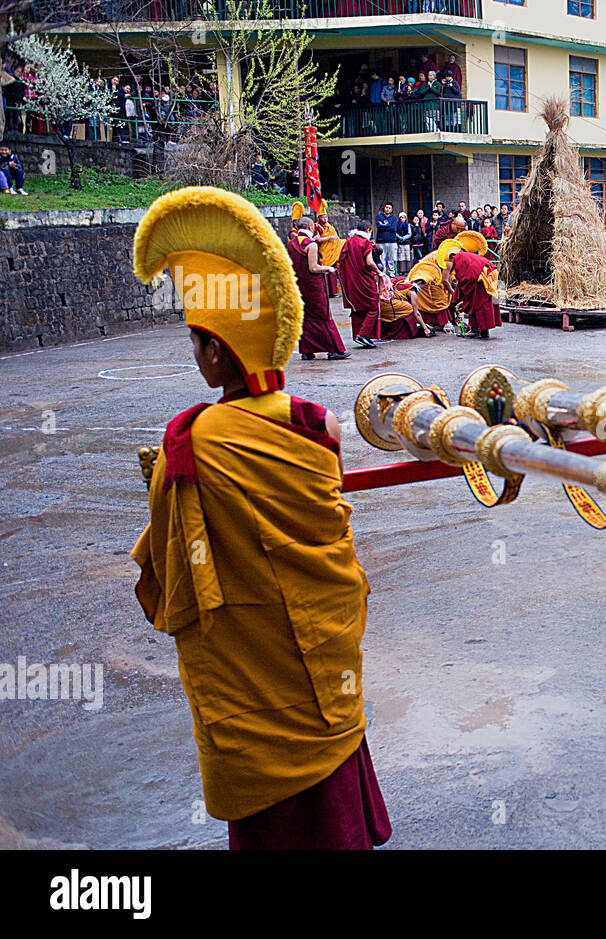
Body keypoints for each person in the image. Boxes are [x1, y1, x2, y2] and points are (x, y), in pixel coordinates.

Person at [130, 187, 390, 850]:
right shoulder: (318, 424)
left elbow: (165, 574)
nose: (196, 354)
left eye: (197, 340)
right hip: (327, 668)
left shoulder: (193, 444)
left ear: (217, 352)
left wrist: (166, 483)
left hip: (254, 698)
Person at [287, 211, 348, 361]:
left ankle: (307, 351)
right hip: (313, 286)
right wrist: (328, 268)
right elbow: (313, 268)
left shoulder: (292, 243)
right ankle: (334, 350)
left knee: (305, 317)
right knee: (323, 316)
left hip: (299, 286)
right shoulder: (310, 244)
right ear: (309, 226)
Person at [446, 230, 501, 339]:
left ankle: (481, 330)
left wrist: (460, 294)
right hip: (486, 275)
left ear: (452, 256)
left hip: (483, 278)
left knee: (480, 303)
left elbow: (466, 278)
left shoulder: (458, 259)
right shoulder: (464, 256)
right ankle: (477, 329)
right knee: (477, 303)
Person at [338, 220, 382, 348]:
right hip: (364, 279)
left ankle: (358, 334)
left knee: (357, 308)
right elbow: (369, 262)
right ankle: (363, 334)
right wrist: (378, 272)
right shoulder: (365, 242)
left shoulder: (349, 241)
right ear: (368, 230)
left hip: (351, 280)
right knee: (373, 307)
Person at [314, 201, 343, 297]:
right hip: (324, 252)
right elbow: (317, 239)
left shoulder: (329, 227)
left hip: (332, 252)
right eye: (322, 217)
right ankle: (327, 292)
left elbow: (336, 238)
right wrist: (329, 238)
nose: (325, 219)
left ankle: (334, 292)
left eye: (326, 217)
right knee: (325, 272)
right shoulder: (318, 228)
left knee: (333, 272)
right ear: (319, 218)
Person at [374, 202, 398, 275]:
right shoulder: (379, 216)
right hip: (381, 240)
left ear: (392, 209)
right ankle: (382, 271)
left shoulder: (394, 218)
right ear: (384, 208)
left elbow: (393, 228)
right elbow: (378, 226)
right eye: (386, 207)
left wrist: (383, 225)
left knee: (392, 258)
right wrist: (388, 225)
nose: (388, 209)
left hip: (392, 241)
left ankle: (392, 272)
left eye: (389, 208)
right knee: (381, 258)